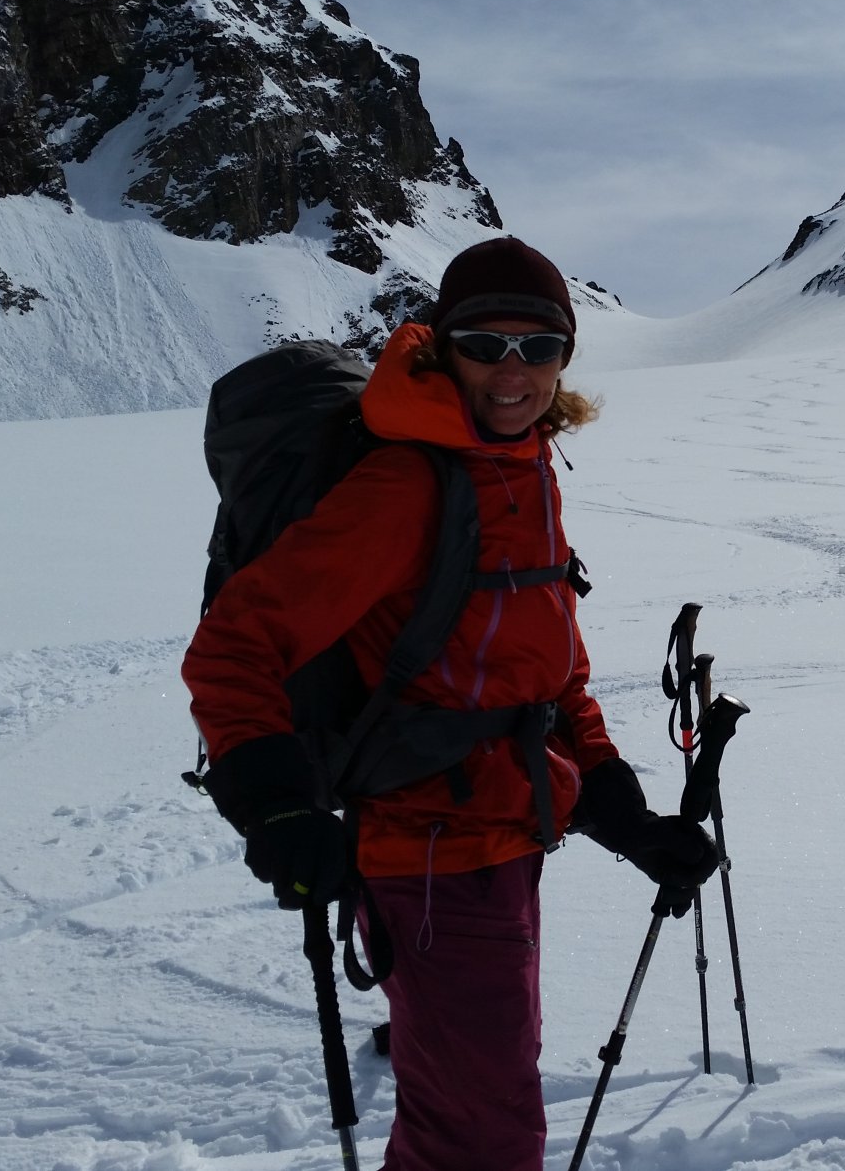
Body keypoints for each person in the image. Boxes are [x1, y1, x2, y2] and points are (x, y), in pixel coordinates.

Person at [182, 237, 718, 1170]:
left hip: (504, 835)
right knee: (481, 1137)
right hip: (431, 850)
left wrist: (621, 810)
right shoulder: (407, 483)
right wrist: (274, 801)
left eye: (539, 348)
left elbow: (546, 671)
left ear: (566, 357)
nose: (514, 371)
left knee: (478, 1103)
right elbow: (236, 647)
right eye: (485, 344)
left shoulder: (522, 467)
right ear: (439, 347)